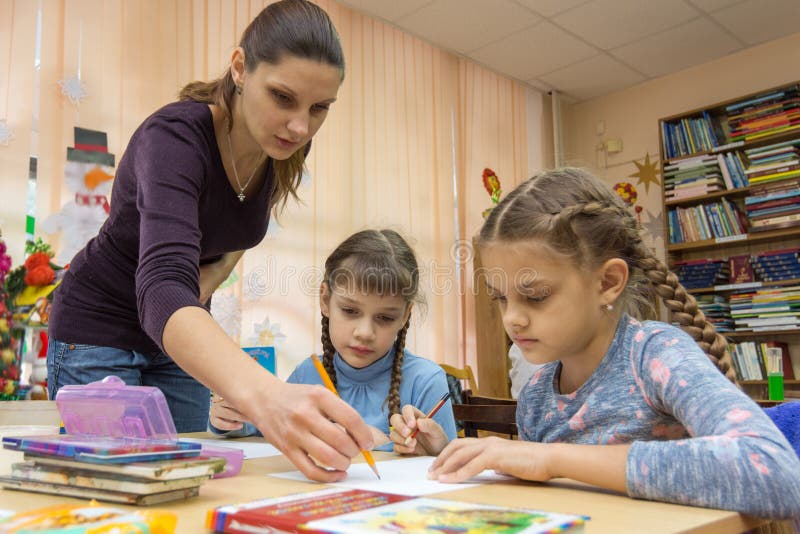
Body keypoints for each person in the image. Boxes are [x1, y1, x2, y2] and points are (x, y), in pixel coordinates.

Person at [46, 0, 375, 483]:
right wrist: (266, 397)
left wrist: (215, 272)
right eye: (283, 97)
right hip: (100, 328)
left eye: (319, 108)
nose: (301, 127)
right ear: (240, 68)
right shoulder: (176, 138)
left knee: (186, 484)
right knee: (115, 487)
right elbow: (161, 286)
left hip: (176, 342)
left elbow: (235, 227)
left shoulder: (276, 146)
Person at [390, 168, 800, 519]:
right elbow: (544, 499)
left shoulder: (655, 355)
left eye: (535, 296)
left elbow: (775, 473)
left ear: (607, 283)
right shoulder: (537, 394)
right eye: (500, 297)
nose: (512, 317)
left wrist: (551, 458)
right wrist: (446, 453)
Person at [209, 229, 458, 451]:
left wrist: (383, 443)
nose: (364, 332)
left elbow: (447, 464)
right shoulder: (307, 374)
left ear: (405, 315)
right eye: (350, 311)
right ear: (325, 300)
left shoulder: (425, 380)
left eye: (384, 317)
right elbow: (263, 426)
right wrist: (228, 419)